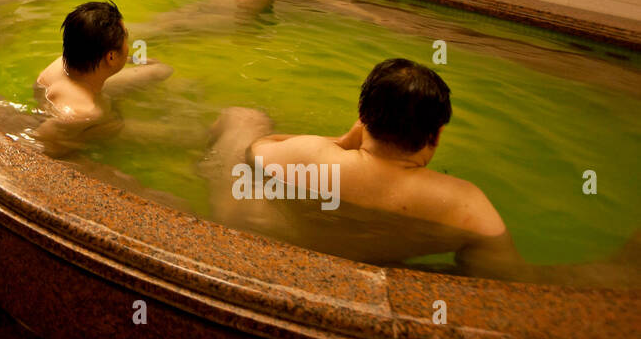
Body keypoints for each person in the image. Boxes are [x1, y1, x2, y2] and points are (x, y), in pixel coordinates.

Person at [207, 58, 521, 276]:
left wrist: (343, 140)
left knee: (246, 118)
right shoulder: (464, 204)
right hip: (373, 265)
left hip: (263, 236)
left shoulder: (311, 156)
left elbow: (256, 149)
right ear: (437, 135)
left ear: (363, 115)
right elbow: (499, 273)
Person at [32, 1, 172, 157]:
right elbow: (39, 144)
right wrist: (95, 134)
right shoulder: (84, 112)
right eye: (126, 37)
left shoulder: (62, 62)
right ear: (110, 56)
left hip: (70, 94)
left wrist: (133, 59)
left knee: (161, 71)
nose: (128, 43)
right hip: (72, 113)